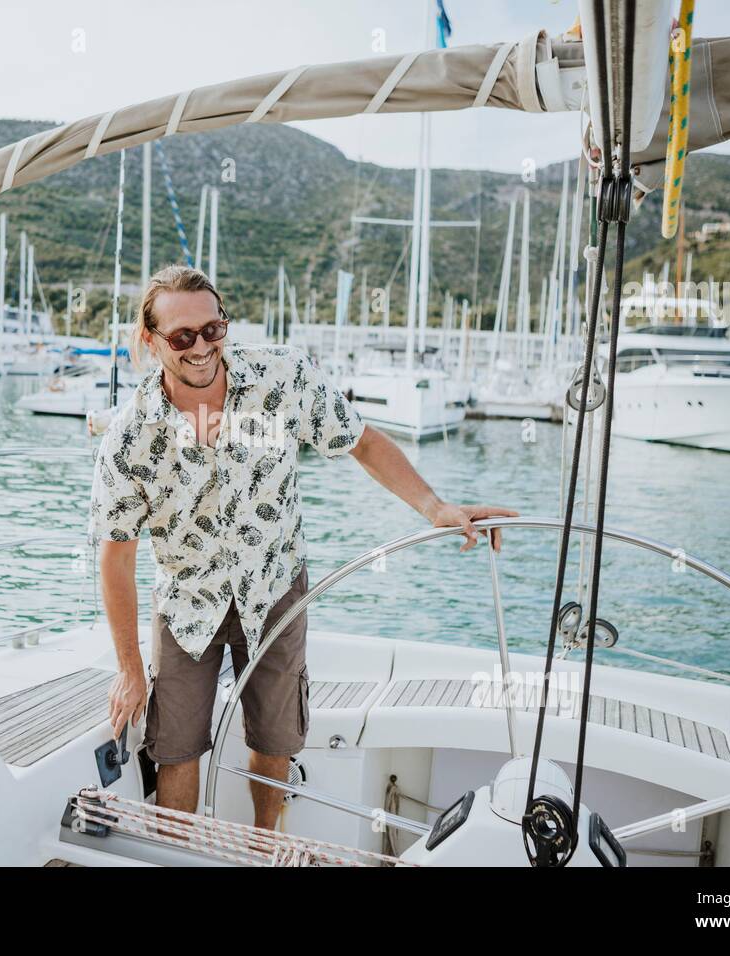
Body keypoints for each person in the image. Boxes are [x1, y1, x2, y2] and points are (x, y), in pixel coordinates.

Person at [88, 264, 517, 829]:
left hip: (274, 584)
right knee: (175, 747)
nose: (202, 347)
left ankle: (267, 848)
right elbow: (116, 555)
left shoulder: (282, 378)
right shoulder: (129, 435)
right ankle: (180, 854)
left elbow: (360, 442)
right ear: (150, 341)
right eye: (182, 337)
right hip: (188, 601)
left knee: (274, 737)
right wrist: (129, 669)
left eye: (213, 329)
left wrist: (435, 507)